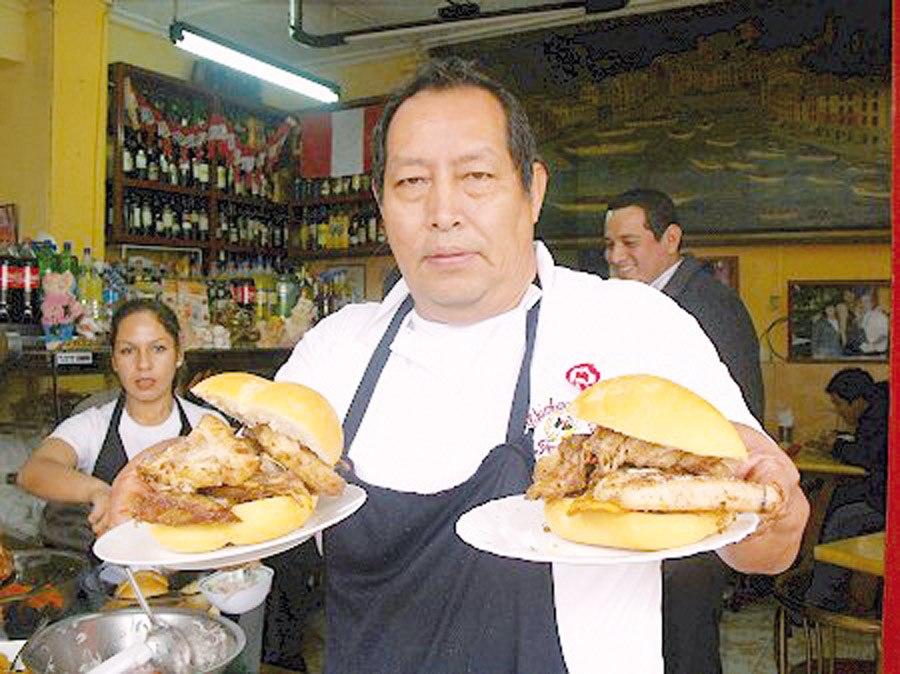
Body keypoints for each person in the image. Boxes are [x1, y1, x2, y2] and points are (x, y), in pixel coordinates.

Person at [111, 58, 807, 674]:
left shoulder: (633, 325)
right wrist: (161, 504)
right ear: (382, 201)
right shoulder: (335, 350)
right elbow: (248, 516)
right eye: (412, 182)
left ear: (531, 189)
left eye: (475, 176)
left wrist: (774, 515)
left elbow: (758, 541)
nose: (443, 212)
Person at [604, 188, 765, 673]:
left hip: (692, 512)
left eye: (630, 242)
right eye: (608, 245)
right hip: (648, 511)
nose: (616, 257)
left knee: (686, 645)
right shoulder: (633, 302)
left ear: (671, 238)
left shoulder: (709, 305)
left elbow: (736, 422)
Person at [17, 298, 215, 551]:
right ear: (114, 361)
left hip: (194, 584)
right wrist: (97, 491)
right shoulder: (93, 425)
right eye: (128, 350)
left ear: (178, 355)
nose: (143, 364)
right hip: (110, 585)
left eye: (158, 348)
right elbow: (33, 471)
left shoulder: (206, 426)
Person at [806, 368, 887, 612]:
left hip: (887, 500)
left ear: (859, 401)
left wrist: (837, 445)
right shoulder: (880, 404)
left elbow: (866, 455)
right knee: (838, 500)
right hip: (881, 489)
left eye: (839, 404)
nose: (839, 411)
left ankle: (819, 602)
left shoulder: (878, 415)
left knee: (841, 519)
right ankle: (828, 588)